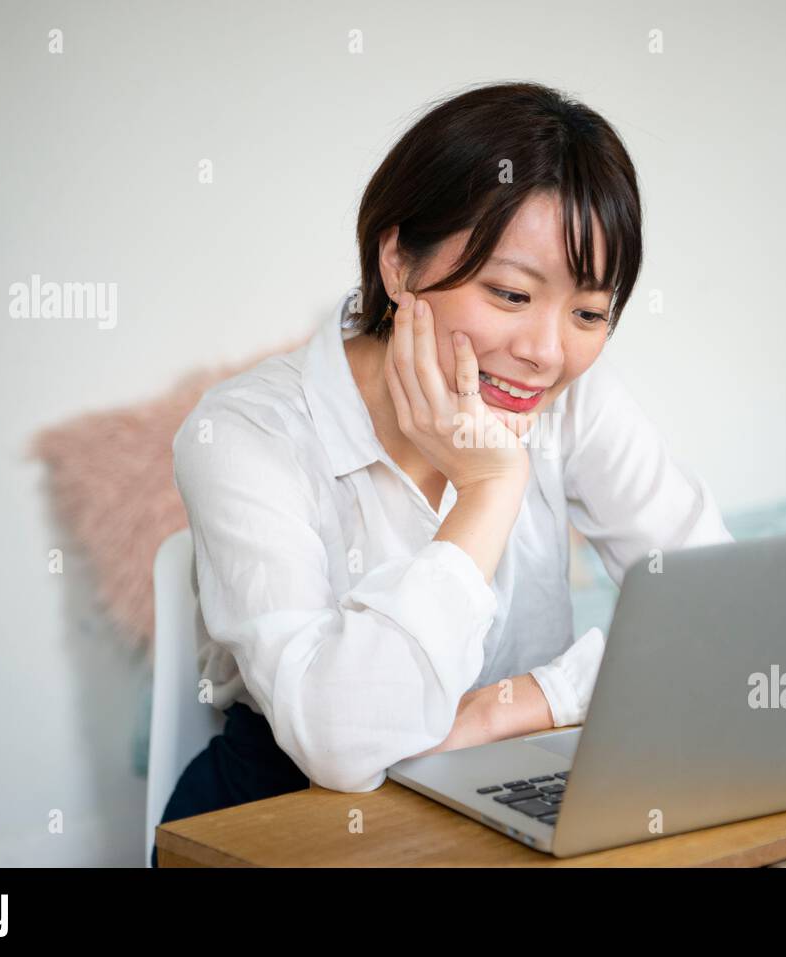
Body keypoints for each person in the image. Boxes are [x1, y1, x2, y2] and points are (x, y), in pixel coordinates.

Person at [151, 81, 732, 866]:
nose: (547, 351)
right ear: (398, 261)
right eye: (511, 293)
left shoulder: (575, 399)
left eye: (589, 313)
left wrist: (507, 709)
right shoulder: (247, 432)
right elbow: (341, 745)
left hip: (501, 797)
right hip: (284, 822)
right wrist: (491, 490)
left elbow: (722, 614)